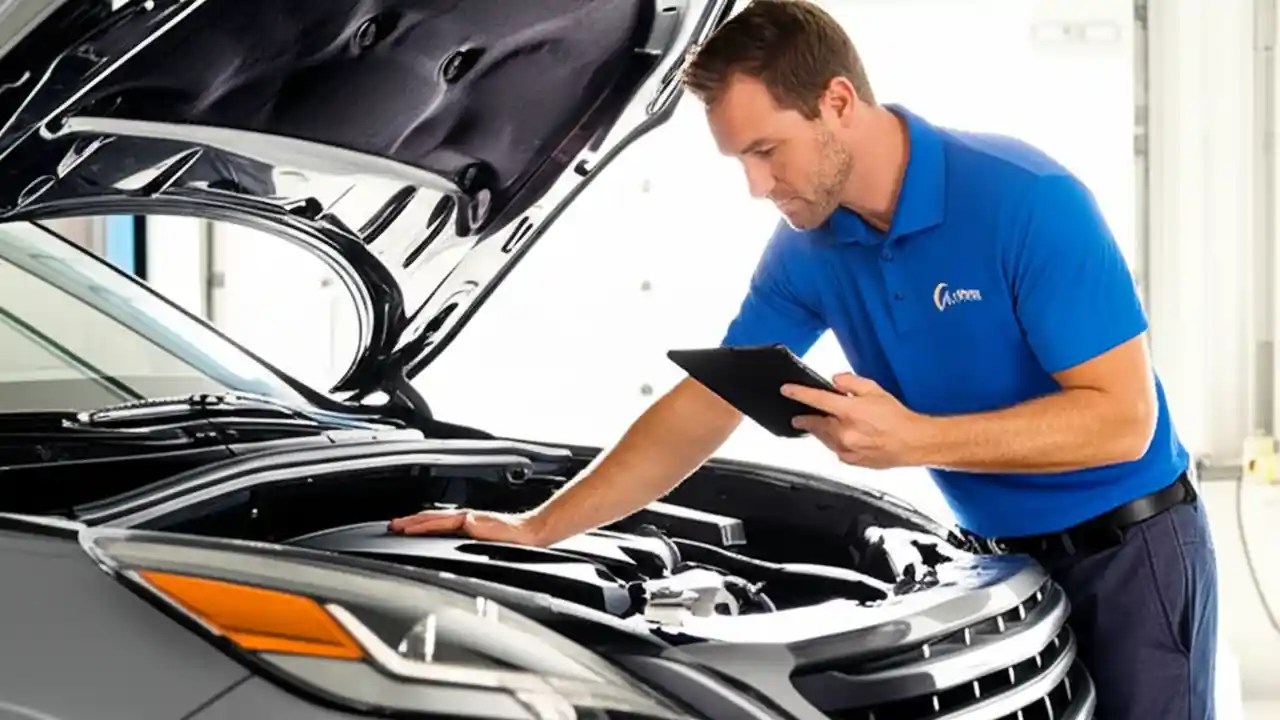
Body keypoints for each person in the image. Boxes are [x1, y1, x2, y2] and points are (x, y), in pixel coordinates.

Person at [389, 1, 1218, 717]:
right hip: (1000, 563)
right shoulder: (810, 248)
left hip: (1132, 556)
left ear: (838, 101)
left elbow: (1121, 420)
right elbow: (702, 407)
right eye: (740, 160)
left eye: (766, 150)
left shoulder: (1025, 200)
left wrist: (916, 440)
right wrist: (538, 529)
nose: (758, 186)